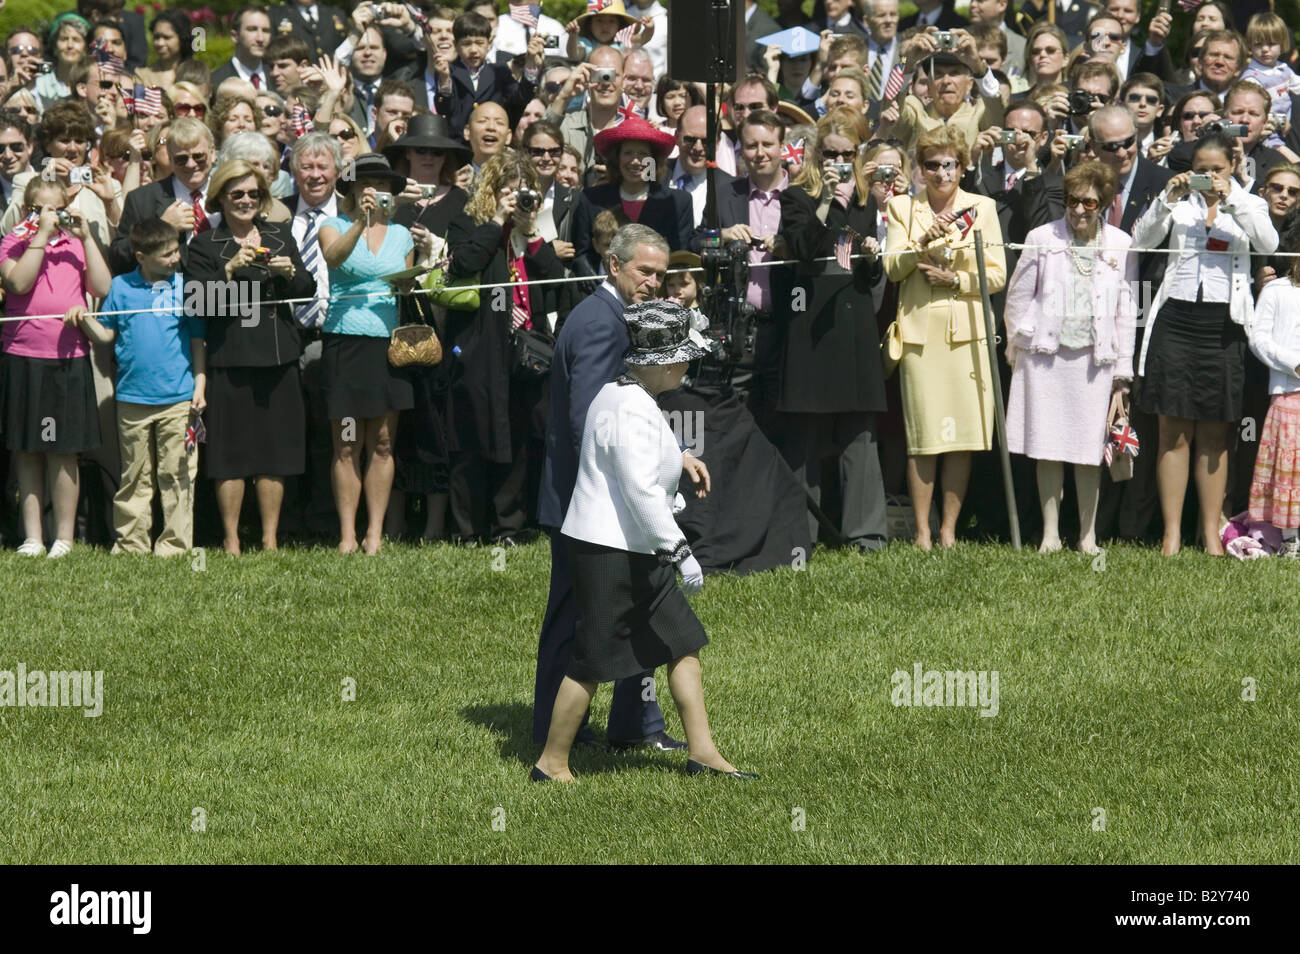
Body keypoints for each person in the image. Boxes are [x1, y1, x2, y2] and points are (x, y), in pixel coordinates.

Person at [533, 299, 754, 784]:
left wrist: (679, 460)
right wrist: (679, 550)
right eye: (686, 356)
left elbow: (640, 473)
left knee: (683, 643)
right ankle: (551, 763)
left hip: (629, 547)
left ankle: (704, 754)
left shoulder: (622, 395)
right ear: (667, 361)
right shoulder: (630, 405)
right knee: (591, 660)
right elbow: (638, 490)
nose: (690, 364)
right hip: (611, 552)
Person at [536, 224, 705, 752]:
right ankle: (553, 735)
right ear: (614, 266)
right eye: (645, 272)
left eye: (662, 274)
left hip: (602, 504)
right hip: (589, 508)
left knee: (637, 616)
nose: (655, 283)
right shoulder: (600, 324)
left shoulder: (614, 316)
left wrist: (669, 453)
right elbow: (595, 420)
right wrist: (653, 468)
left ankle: (636, 725)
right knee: (577, 624)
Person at [1132, 132, 1278, 556]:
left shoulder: (1250, 202)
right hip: (1176, 318)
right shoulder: (1177, 200)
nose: (1209, 177)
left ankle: (1211, 531)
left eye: (1217, 169)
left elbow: (1268, 244)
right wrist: (1167, 198)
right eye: (1202, 170)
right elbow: (1143, 241)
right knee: (1172, 430)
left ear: (1233, 166)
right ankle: (1172, 533)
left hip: (1224, 324)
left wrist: (1230, 199)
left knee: (1216, 434)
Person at [883, 124, 1006, 549]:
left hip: (969, 332)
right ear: (920, 168)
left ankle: (950, 531)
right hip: (920, 334)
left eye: (948, 164)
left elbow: (998, 274)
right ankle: (921, 532)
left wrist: (955, 280)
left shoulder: (982, 207)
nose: (940, 173)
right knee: (924, 436)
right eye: (931, 165)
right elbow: (893, 270)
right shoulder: (903, 207)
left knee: (964, 437)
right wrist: (920, 244)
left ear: (963, 167)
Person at [1004, 161, 1137, 554]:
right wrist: (1016, 346)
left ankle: (1087, 535)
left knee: (1087, 449)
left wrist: (1123, 374)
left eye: (1090, 204)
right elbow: (1017, 297)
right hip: (1045, 355)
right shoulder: (1041, 236)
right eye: (1073, 201)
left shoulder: (1120, 243)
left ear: (1104, 204)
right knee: (1046, 446)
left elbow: (1126, 309)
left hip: (1095, 361)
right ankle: (1049, 534)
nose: (1079, 210)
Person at [185, 159, 316, 554]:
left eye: (253, 194)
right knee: (230, 454)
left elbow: (306, 290)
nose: (245, 200)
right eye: (237, 193)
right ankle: (230, 540)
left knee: (274, 452)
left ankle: (270, 539)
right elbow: (197, 304)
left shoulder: (279, 234)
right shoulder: (205, 243)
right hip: (230, 359)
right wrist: (228, 269)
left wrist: (290, 271)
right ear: (221, 197)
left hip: (278, 357)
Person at [778, 106, 890, 551]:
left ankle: (867, 535)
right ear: (815, 153)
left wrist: (872, 257)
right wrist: (826, 201)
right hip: (809, 325)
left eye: (847, 155)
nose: (838, 162)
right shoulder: (797, 197)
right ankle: (801, 534)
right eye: (830, 153)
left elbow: (870, 278)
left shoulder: (867, 201)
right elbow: (804, 249)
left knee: (859, 433)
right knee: (805, 435)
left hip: (854, 323)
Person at [63, 218, 206, 555]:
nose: (175, 259)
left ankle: (174, 544)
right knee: (135, 476)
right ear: (141, 256)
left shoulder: (186, 287)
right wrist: (83, 319)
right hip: (132, 399)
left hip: (178, 398)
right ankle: (131, 543)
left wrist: (200, 383)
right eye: (166, 254)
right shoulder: (121, 288)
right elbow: (106, 337)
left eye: (176, 251)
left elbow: (198, 340)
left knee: (177, 473)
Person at [442, 150, 563, 545]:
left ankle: (508, 528)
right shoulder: (470, 223)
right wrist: (497, 221)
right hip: (479, 346)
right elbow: (464, 263)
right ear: (491, 191)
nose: (515, 198)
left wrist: (530, 231)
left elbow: (555, 277)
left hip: (526, 350)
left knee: (519, 435)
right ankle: (468, 529)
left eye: (522, 191)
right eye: (507, 191)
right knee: (472, 436)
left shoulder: (532, 228)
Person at [317, 152, 430, 555]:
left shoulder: (401, 234)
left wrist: (410, 280)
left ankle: (375, 534)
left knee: (383, 441)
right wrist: (362, 223)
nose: (374, 191)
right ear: (351, 189)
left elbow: (405, 285)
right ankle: (347, 534)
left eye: (381, 185)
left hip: (387, 344)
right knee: (347, 442)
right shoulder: (333, 225)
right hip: (344, 342)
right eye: (366, 183)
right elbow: (333, 258)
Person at [0, 179, 111, 557]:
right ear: (28, 210)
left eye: (56, 209)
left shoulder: (76, 244)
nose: (48, 217)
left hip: (68, 360)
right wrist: (39, 235)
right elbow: (17, 281)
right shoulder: (13, 241)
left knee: (62, 449)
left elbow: (101, 286)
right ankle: (33, 536)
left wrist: (88, 237)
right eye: (38, 209)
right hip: (24, 357)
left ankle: (64, 537)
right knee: (28, 448)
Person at [382, 115, 472, 541]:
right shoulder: (388, 200)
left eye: (437, 151)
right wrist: (397, 208)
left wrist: (436, 253)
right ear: (406, 154)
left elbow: (470, 263)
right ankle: (395, 523)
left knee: (437, 427)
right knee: (395, 426)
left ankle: (435, 526)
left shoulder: (463, 202)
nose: (429, 158)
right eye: (421, 150)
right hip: (392, 320)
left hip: (444, 324)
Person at [570, 115, 691, 274]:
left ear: (653, 160)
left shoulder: (677, 202)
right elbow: (582, 254)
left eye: (642, 154)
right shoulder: (591, 199)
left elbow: (678, 258)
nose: (635, 161)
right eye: (628, 153)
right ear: (617, 158)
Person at [1246, 261, 1300, 556]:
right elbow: (1258, 337)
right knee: (1290, 471)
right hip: (1288, 392)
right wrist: (1294, 364)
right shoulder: (1277, 290)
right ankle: (1290, 538)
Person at [431, 10, 543, 139]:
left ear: (489, 44)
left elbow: (521, 98)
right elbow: (443, 108)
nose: (473, 50)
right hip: (459, 145)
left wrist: (530, 66)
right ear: (456, 45)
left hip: (492, 143)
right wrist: (445, 79)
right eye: (466, 44)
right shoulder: (448, 71)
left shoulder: (500, 71)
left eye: (479, 43)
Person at [134, 9, 191, 90]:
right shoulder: (142, 76)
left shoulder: (194, 74)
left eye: (167, 37)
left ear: (182, 38)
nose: (160, 43)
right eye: (156, 37)